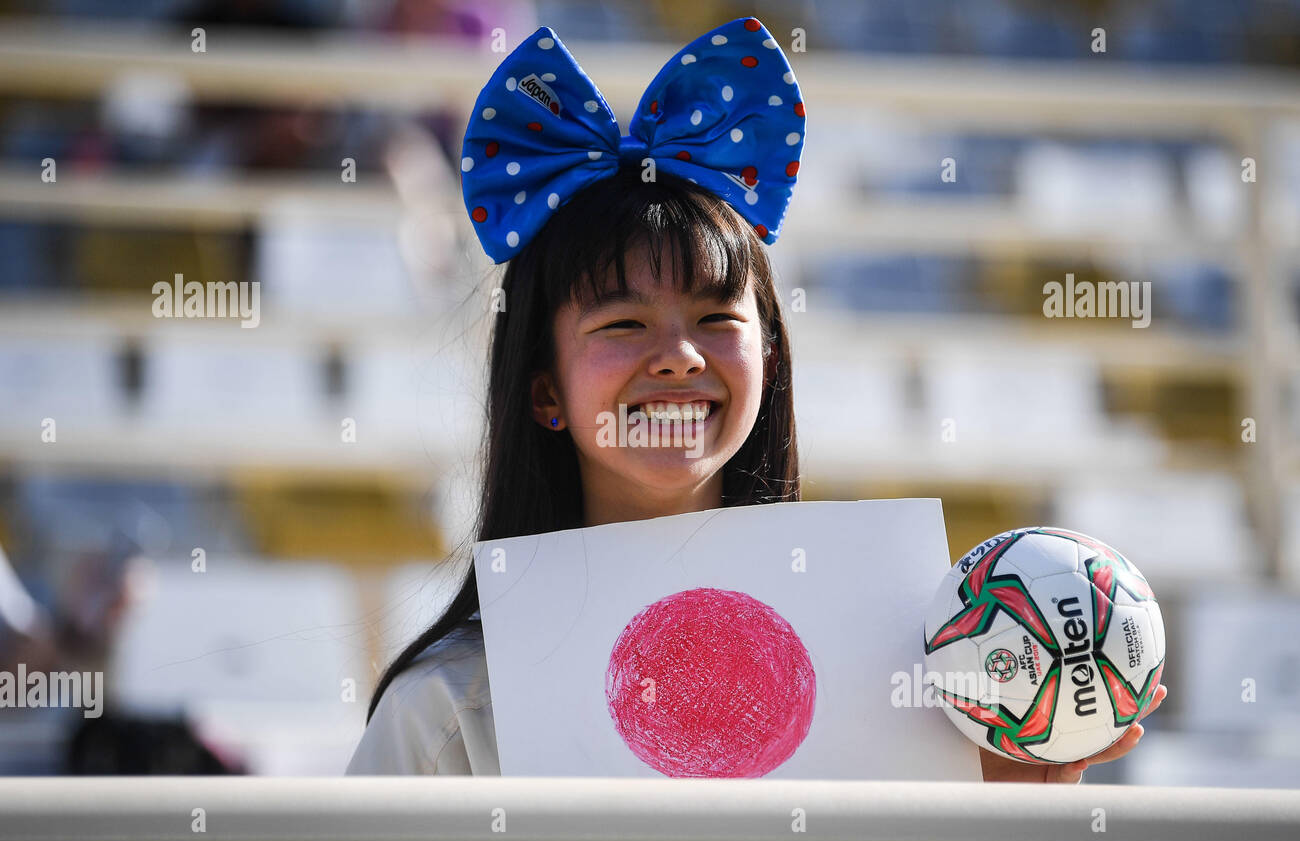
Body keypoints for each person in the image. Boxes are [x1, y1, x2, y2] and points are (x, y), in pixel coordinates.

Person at [346, 17, 1166, 781]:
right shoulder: (445, 715)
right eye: (624, 322)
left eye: (714, 317)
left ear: (770, 361)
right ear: (543, 390)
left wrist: (1009, 813)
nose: (677, 357)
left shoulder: (914, 682)